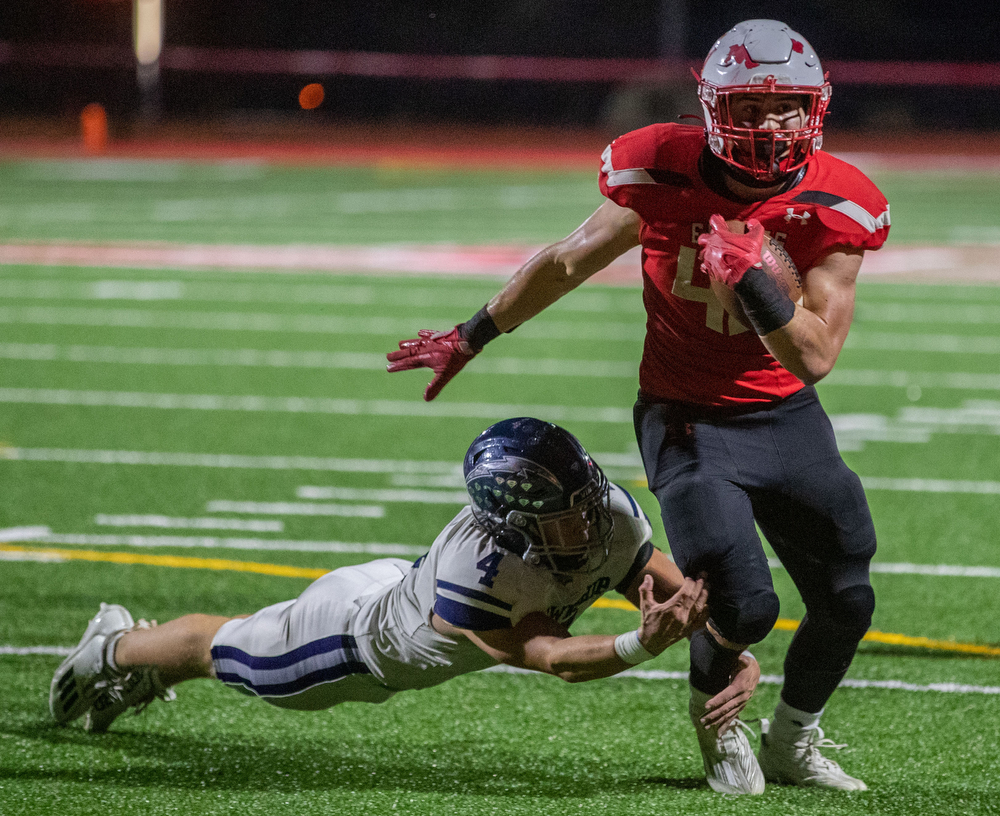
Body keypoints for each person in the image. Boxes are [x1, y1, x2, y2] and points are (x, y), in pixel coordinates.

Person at [386, 20, 890, 795]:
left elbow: (815, 356)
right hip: (688, 418)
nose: (769, 125)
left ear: (814, 109)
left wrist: (754, 279)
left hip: (785, 414)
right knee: (742, 604)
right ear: (712, 109)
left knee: (848, 595)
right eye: (749, 110)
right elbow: (565, 261)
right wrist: (472, 333)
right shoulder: (658, 167)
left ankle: (793, 738)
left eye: (786, 107)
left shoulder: (838, 201)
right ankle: (717, 726)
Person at [50, 417, 759, 747]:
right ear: (513, 523)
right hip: (355, 643)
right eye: (564, 519)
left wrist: (729, 644)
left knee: (229, 646)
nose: (588, 526)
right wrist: (642, 643)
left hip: (395, 586)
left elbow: (676, 586)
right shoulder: (481, 571)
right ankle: (112, 651)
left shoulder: (604, 513)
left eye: (585, 502)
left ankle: (125, 661)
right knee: (223, 650)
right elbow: (549, 656)